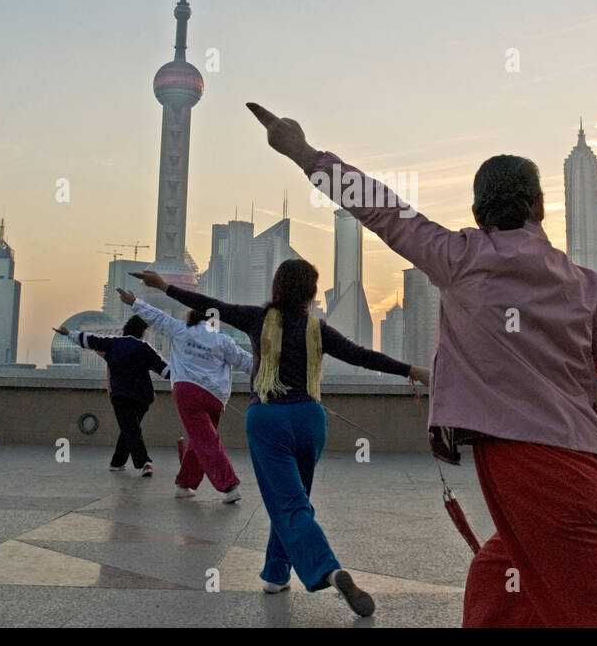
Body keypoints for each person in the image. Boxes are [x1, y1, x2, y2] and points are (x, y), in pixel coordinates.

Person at [245, 102, 597, 628]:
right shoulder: (584, 284)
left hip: (539, 481)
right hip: (596, 472)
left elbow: (380, 208)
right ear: (540, 208)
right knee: (498, 585)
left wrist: (302, 152)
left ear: (478, 212)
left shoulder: (457, 258)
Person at [136, 261, 427, 618]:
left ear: (277, 287)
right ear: (311, 293)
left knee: (289, 504)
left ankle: (328, 570)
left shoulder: (257, 320)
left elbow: (212, 305)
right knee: (290, 498)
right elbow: (362, 356)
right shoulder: (318, 329)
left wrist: (164, 287)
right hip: (310, 420)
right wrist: (413, 371)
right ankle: (276, 574)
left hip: (269, 419)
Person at [116, 286, 253, 502]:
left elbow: (156, 317)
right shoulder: (223, 341)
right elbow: (247, 362)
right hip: (215, 398)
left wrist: (134, 302)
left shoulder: (180, 330)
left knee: (204, 440)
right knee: (204, 438)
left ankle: (218, 486)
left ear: (192, 314)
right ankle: (201, 484)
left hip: (188, 392)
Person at [54, 315, 167, 476]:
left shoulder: (113, 344)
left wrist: (69, 333)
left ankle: (138, 462)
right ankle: (123, 462)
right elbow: (165, 370)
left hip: (120, 395)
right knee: (130, 428)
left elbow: (91, 340)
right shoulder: (144, 348)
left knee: (130, 428)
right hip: (142, 397)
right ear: (142, 331)